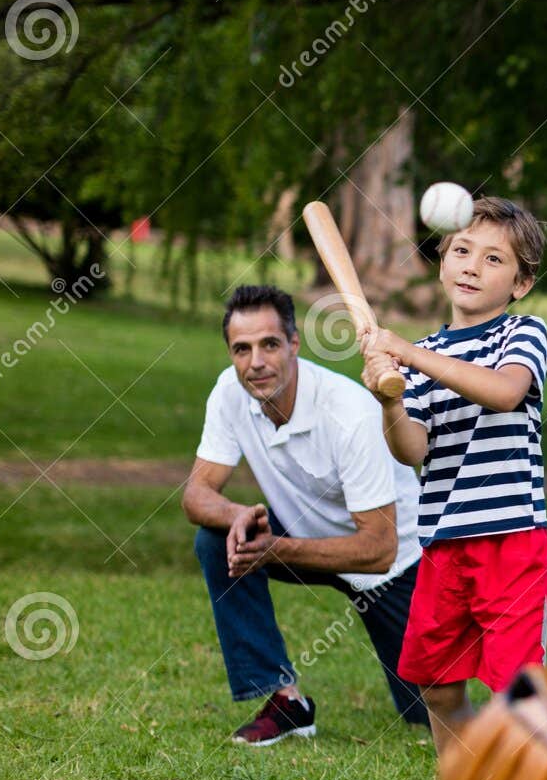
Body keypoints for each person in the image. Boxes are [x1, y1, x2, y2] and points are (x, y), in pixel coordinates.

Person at [359, 196, 547, 780]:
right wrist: (388, 395)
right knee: (436, 685)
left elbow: (504, 391)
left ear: (519, 282)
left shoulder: (522, 334)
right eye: (462, 250)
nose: (472, 266)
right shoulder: (427, 352)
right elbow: (413, 448)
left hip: (511, 542)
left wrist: (409, 357)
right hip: (443, 542)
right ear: (442, 261)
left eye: (494, 258)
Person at [183, 285, 427, 745]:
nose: (256, 361)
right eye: (242, 348)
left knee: (425, 713)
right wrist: (238, 516)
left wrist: (274, 548)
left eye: (269, 344)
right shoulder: (229, 394)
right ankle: (285, 700)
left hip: (396, 564)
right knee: (218, 540)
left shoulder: (350, 412)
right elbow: (196, 494)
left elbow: (378, 549)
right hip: (303, 538)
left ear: (294, 344)